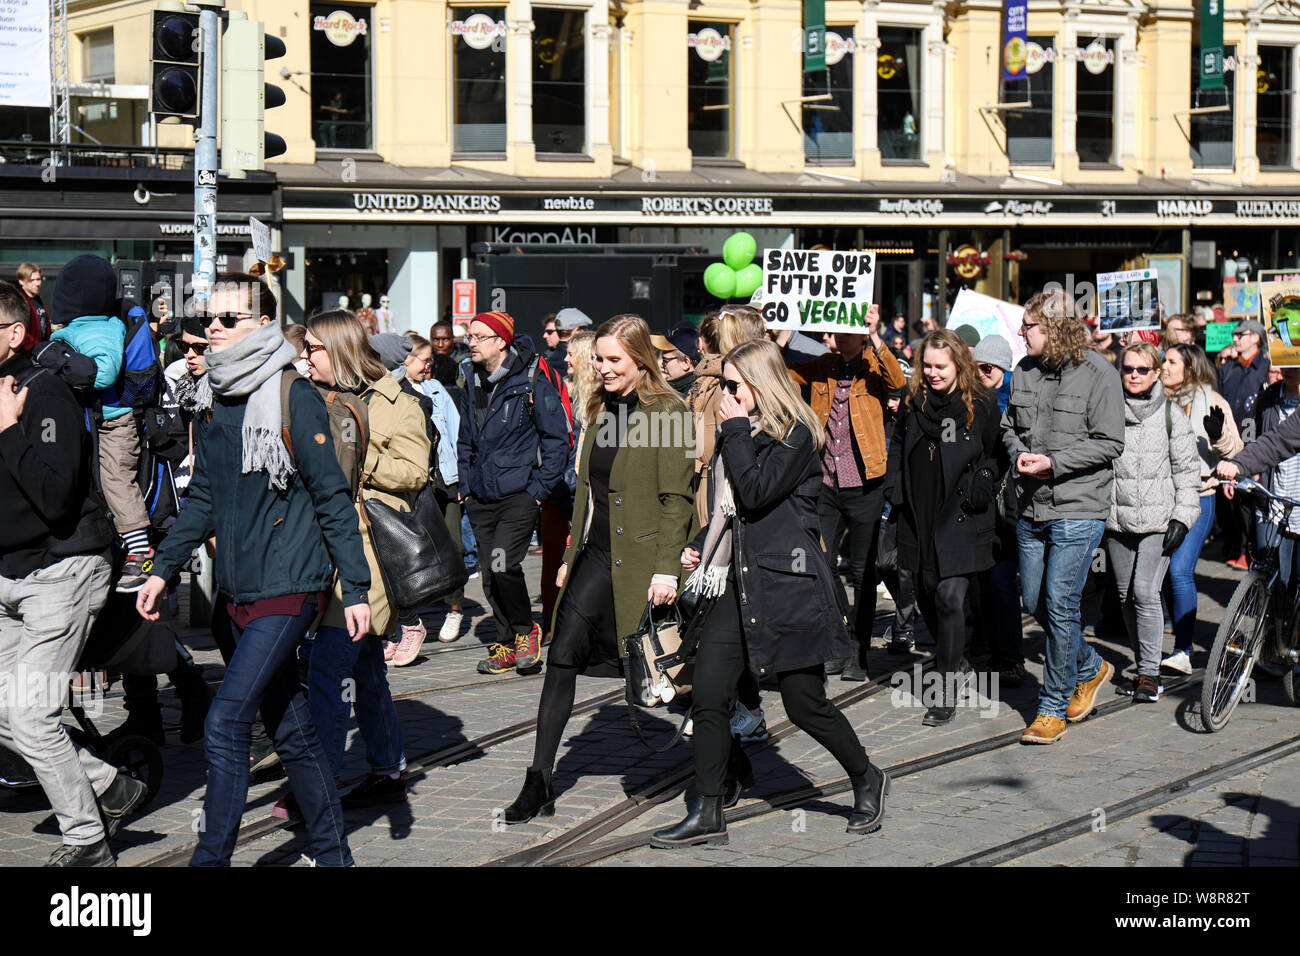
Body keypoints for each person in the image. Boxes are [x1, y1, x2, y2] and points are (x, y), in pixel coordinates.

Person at [136, 272, 371, 866]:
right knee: (293, 731)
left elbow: (332, 498)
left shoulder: (293, 396)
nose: (211, 328)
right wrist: (164, 568)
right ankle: (334, 855)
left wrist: (358, 589)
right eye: (208, 319)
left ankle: (209, 860)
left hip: (291, 586)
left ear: (263, 326)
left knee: (225, 722)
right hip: (239, 589)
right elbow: (206, 497)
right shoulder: (219, 394)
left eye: (226, 319)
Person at [651, 339, 888, 847]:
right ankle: (709, 811)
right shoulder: (744, 431)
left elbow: (756, 493)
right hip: (733, 583)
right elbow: (727, 509)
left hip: (788, 587)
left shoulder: (797, 433)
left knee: (805, 704)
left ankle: (866, 776)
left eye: (734, 387)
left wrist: (734, 428)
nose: (726, 397)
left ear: (760, 385)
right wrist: (699, 545)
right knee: (710, 696)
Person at [501, 315, 695, 824]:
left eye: (614, 361)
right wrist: (567, 560)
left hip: (644, 560)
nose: (603, 369)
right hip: (597, 555)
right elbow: (587, 493)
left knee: (662, 674)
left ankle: (728, 762)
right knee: (561, 655)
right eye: (599, 360)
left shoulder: (667, 412)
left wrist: (666, 570)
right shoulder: (602, 408)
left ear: (640, 360)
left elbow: (678, 499)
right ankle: (539, 779)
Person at [0, 281, 149, 866]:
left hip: (62, 571)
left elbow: (56, 496)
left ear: (13, 332)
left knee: (32, 714)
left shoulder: (47, 393)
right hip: (10, 573)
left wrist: (9, 430)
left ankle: (88, 841)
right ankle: (108, 784)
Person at [290, 311, 426, 812]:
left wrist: (353, 451)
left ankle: (315, 788)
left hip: (373, 552)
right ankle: (388, 767)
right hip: (327, 544)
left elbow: (414, 474)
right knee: (366, 665)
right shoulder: (312, 397)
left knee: (328, 665)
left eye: (313, 349)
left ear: (340, 349)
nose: (305, 358)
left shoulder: (398, 402)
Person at [1002, 290, 1124, 745]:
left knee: (1059, 601)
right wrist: (1019, 455)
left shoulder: (1100, 374)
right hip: (1033, 505)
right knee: (1035, 601)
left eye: (1029, 326)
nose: (1021, 333)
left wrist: (1054, 462)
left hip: (1078, 505)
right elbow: (1008, 427)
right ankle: (1091, 667)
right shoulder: (1023, 371)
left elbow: (1110, 442)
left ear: (1053, 328)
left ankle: (1052, 706)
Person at [777, 303, 907, 681]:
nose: (835, 334)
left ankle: (859, 649)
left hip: (866, 483)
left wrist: (876, 337)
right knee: (820, 563)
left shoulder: (873, 365)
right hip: (827, 482)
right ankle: (838, 640)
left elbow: (899, 384)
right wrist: (782, 337)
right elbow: (781, 374)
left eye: (843, 328)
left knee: (864, 572)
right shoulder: (824, 366)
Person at [885, 330, 1003, 725]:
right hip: (918, 510)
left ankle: (946, 687)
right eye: (928, 366)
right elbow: (899, 445)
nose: (933, 374)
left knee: (951, 596)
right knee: (927, 593)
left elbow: (993, 453)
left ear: (959, 365)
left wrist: (984, 479)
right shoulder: (914, 401)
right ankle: (957, 657)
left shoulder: (982, 403)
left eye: (941, 367)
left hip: (961, 512)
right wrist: (895, 491)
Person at [457, 310, 569, 675]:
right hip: (481, 496)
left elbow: (557, 440)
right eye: (469, 336)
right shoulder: (470, 378)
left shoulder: (534, 379)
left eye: (477, 337)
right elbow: (465, 439)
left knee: (502, 563)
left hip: (519, 493)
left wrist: (537, 490)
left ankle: (526, 630)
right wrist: (465, 486)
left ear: (500, 342)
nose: (470, 343)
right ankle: (505, 643)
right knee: (490, 577)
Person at [48, 256, 155, 593]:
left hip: (114, 424)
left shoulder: (101, 328)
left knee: (116, 480)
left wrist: (61, 360)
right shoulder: (82, 327)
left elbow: (103, 373)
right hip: (93, 421)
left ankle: (141, 551)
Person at [1104, 342, 1201, 703]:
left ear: (1157, 373)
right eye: (1128, 368)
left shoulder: (1172, 416)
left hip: (1160, 521)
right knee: (1125, 595)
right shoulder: (1108, 411)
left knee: (1145, 592)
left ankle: (1149, 673)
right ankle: (1143, 659)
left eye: (1142, 370)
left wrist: (1182, 517)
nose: (1134, 375)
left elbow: (1188, 473)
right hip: (1117, 521)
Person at [1159, 344, 1242, 674]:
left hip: (1199, 495)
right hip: (1159, 497)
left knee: (1180, 570)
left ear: (1189, 369)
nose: (1163, 366)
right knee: (1160, 574)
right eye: (1163, 360)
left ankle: (1183, 650)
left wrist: (1219, 436)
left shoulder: (1213, 402)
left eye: (1171, 362)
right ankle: (1153, 648)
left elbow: (1237, 449)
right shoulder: (1154, 399)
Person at [971, 334, 1025, 685]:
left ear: (1003, 369)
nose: (981, 373)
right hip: (976, 504)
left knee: (1003, 581)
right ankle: (983, 648)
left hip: (1006, 506)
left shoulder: (1015, 402)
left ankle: (1010, 657)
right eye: (976, 367)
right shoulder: (969, 398)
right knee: (981, 581)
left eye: (988, 367)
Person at [1217, 318, 1270, 568]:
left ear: (1256, 338)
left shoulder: (1267, 366)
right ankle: (1237, 547)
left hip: (1256, 441)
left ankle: (1249, 552)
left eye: (1242, 334)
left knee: (1251, 501)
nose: (1235, 338)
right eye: (1235, 334)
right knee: (1231, 501)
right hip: (1230, 440)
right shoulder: (1229, 368)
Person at [652, 326, 701, 398]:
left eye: (665, 360)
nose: (661, 365)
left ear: (686, 362)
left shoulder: (694, 396)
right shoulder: (682, 391)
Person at [15, 261, 48, 351]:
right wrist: (36, 348)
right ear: (21, 281)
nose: (37, 284)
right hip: (28, 354)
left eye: (38, 279)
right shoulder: (18, 301)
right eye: (31, 280)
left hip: (41, 352)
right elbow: (20, 331)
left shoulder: (37, 299)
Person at [427, 323, 461, 392]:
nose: (440, 345)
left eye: (445, 339)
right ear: (430, 339)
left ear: (453, 339)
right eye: (436, 339)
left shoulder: (467, 363)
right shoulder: (425, 363)